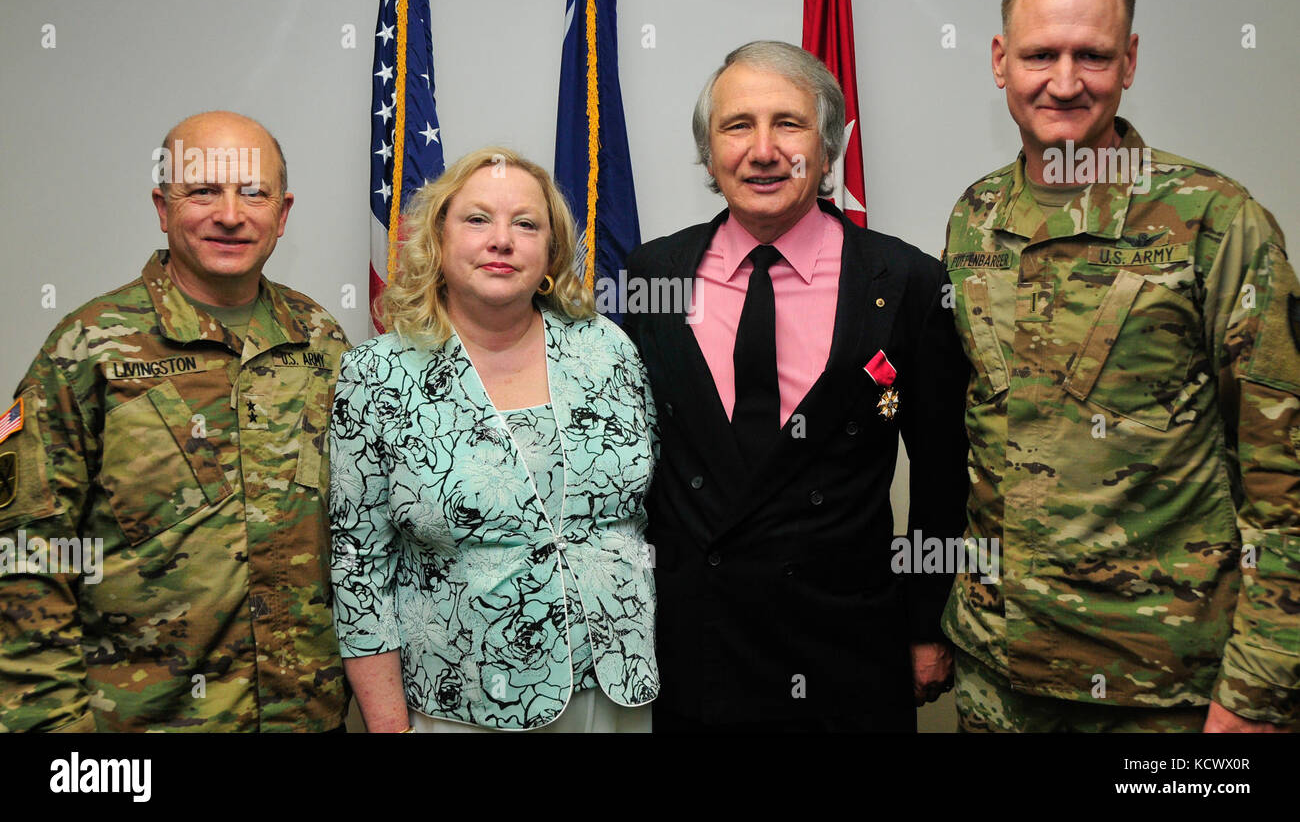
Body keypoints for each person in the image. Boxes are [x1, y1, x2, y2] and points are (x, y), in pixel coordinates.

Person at [943, 0, 1300, 732]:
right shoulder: (974, 217)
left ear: (1129, 61)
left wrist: (1260, 691)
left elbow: (1287, 482)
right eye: (1040, 54)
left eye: (1092, 56)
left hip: (1161, 688)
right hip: (997, 674)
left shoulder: (1215, 221)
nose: (1064, 82)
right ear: (1001, 63)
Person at [623, 40, 969, 732]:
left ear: (829, 145)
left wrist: (927, 624)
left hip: (848, 644)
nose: (762, 150)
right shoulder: (649, 276)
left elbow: (941, 472)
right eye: (737, 125)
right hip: (696, 645)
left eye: (787, 123)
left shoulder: (905, 284)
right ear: (709, 151)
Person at [0, 111, 349, 731]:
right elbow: (25, 559)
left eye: (253, 192)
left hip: (305, 720)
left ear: (283, 212)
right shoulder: (88, 349)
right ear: (163, 206)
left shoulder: (320, 342)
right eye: (203, 190)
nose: (231, 214)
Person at [329, 146, 657, 733]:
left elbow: (653, 510)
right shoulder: (377, 375)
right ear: (437, 239)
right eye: (477, 219)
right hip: (460, 699)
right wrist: (386, 725)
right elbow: (359, 566)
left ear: (552, 251)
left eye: (526, 224)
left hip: (617, 693)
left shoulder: (607, 349)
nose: (501, 240)